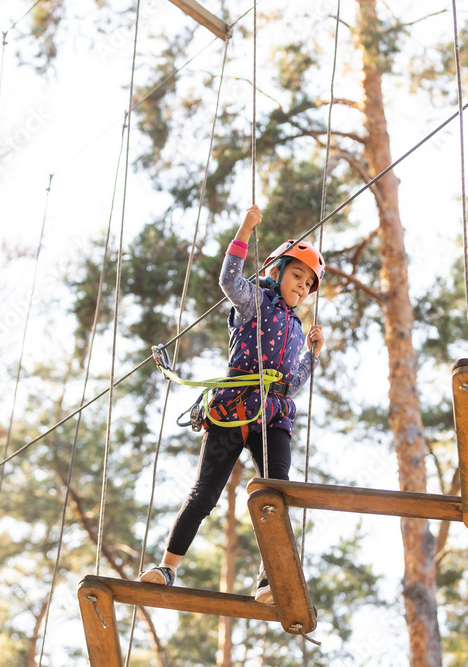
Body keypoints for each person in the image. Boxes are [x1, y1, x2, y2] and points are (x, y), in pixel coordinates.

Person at [139, 204, 326, 604]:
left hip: (273, 416)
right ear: (276, 270)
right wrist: (245, 228)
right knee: (205, 493)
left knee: (276, 494)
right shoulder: (255, 301)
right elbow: (228, 279)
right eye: (297, 275)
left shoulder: (296, 329)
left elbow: (291, 384)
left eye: (309, 283)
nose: (302, 286)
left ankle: (269, 579)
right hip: (234, 408)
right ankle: (167, 567)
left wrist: (311, 354)